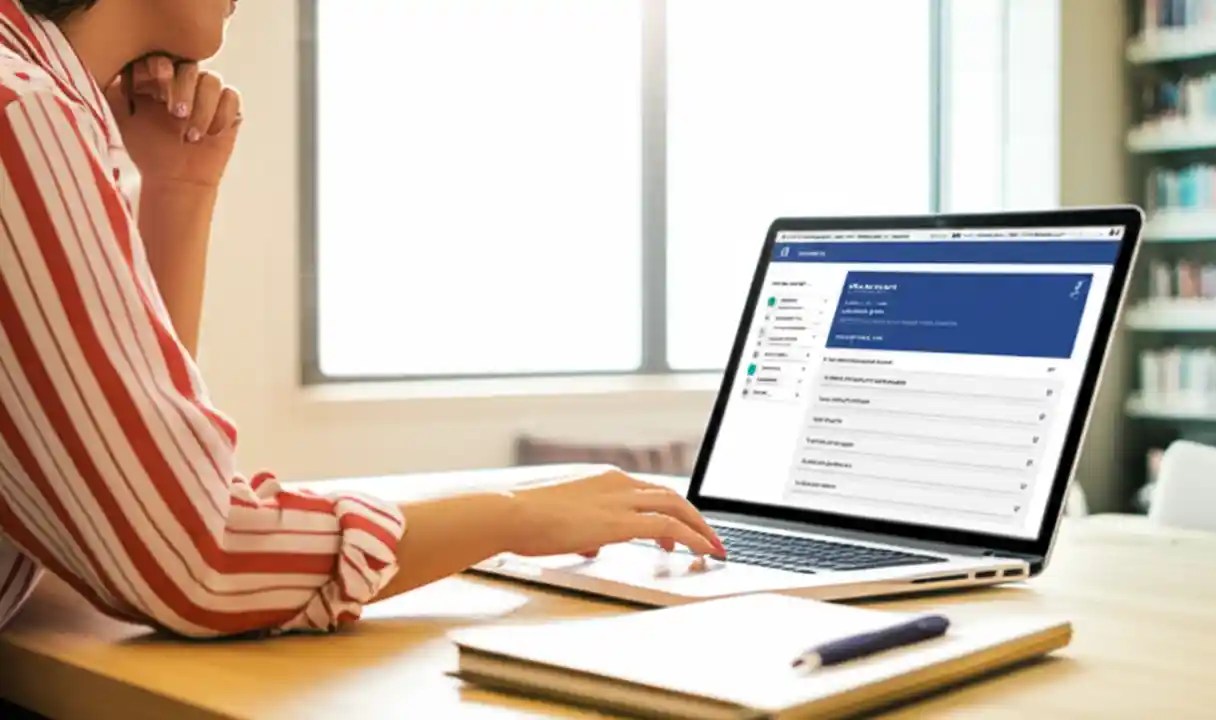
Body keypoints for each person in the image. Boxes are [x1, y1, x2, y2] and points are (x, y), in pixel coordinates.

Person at [0, 0, 724, 639]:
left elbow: (117, 475)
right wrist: (516, 517)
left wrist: (178, 191)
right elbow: (198, 553)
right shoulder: (21, 114)